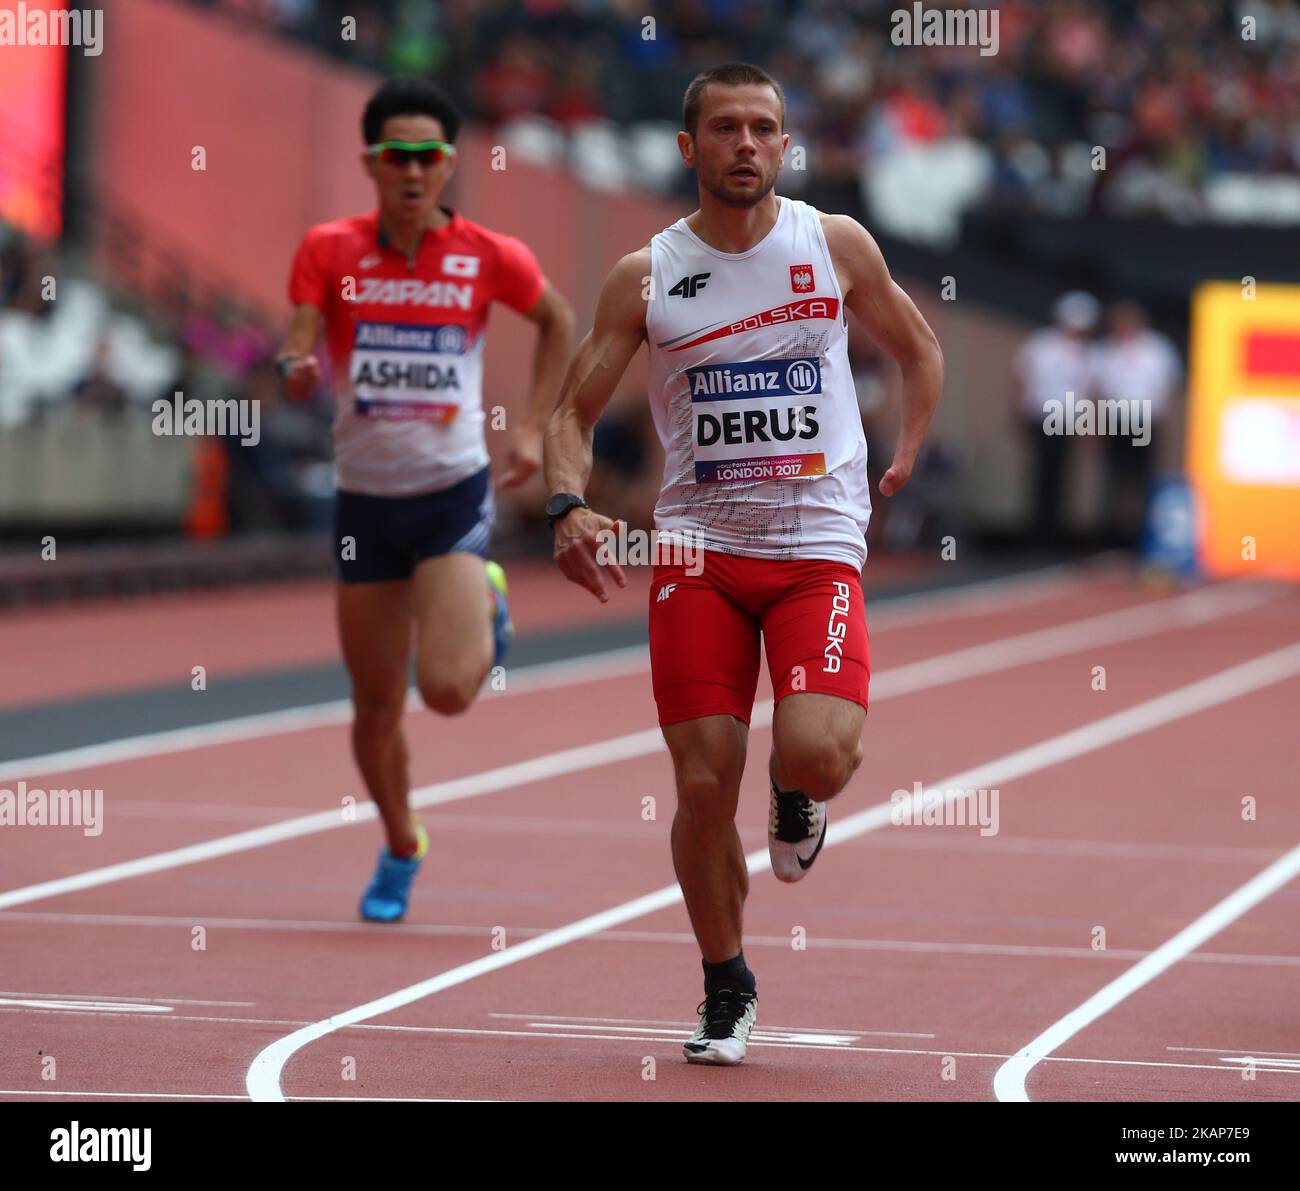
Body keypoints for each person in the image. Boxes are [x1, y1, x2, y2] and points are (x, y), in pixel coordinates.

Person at [543, 63, 942, 1065]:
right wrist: (567, 505)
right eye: (725, 129)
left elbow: (918, 347)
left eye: (764, 128)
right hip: (697, 553)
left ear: (783, 144)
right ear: (689, 149)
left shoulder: (832, 245)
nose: (747, 145)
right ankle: (725, 981)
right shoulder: (647, 275)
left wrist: (906, 452)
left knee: (815, 751)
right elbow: (571, 411)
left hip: (814, 550)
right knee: (699, 782)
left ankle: (796, 795)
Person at [276, 77, 574, 922]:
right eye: (397, 154)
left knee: (444, 691)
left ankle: (483, 594)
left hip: (449, 497)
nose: (413, 169)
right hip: (364, 507)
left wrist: (532, 425)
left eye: (429, 155)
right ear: (372, 161)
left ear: (447, 164)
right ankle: (402, 841)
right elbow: (297, 342)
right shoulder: (329, 249)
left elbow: (558, 317)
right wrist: (294, 367)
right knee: (375, 706)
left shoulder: (488, 253)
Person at [1012, 290, 1099, 546]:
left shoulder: (1087, 353)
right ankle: (1039, 531)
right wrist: (1020, 411)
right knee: (1040, 474)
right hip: (1041, 416)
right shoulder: (1041, 345)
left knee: (1065, 475)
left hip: (1068, 418)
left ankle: (1058, 532)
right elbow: (1021, 379)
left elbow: (1089, 392)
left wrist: (1090, 426)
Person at [1091, 300, 1181, 545]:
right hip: (1116, 418)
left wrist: (1163, 419)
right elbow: (1098, 390)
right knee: (1113, 478)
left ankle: (1142, 535)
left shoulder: (1157, 349)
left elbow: (1168, 386)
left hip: (1144, 419)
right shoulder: (1106, 350)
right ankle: (1109, 535)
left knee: (1143, 478)